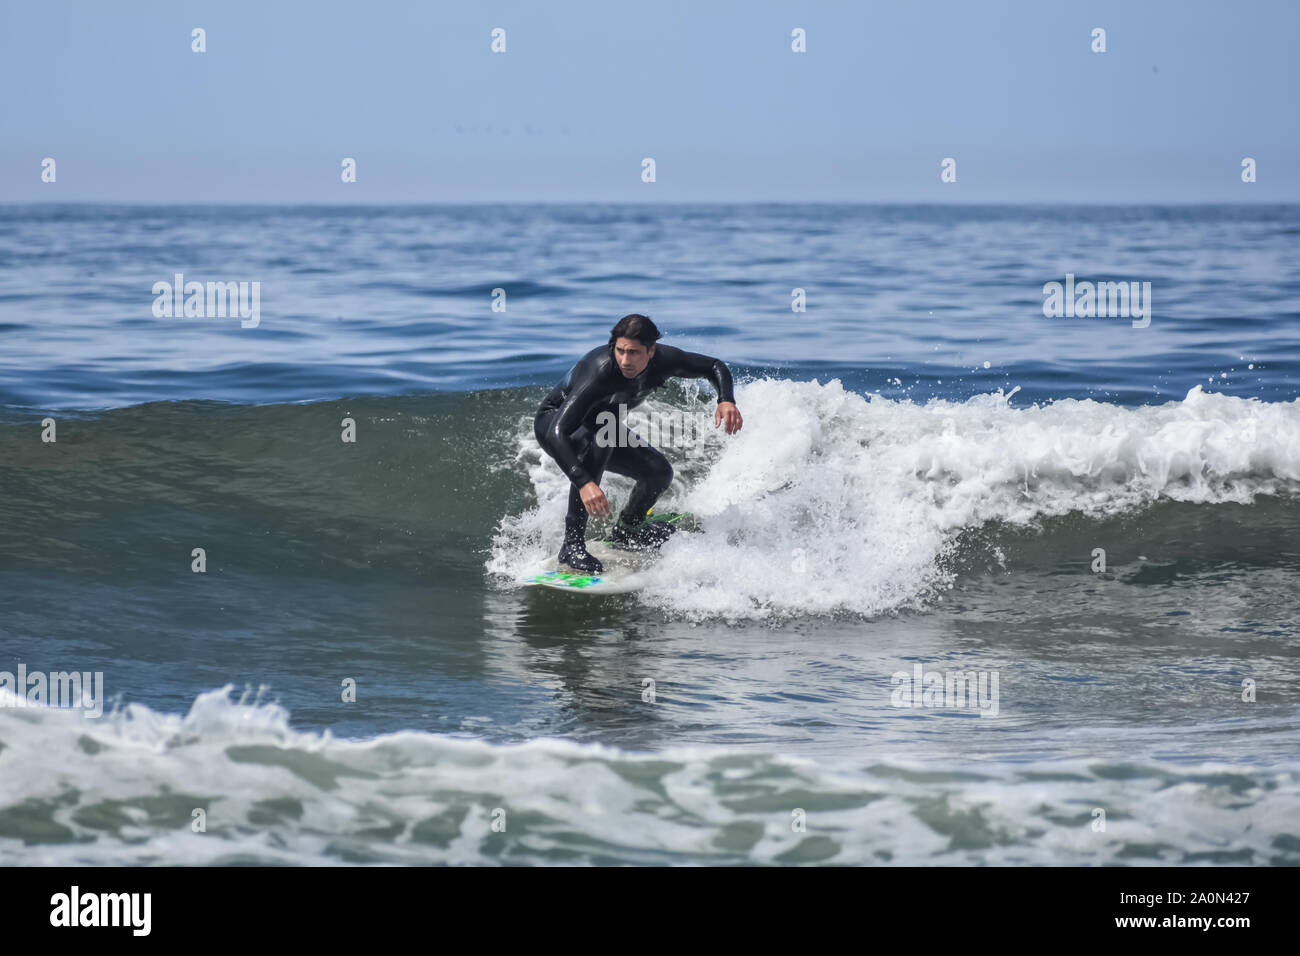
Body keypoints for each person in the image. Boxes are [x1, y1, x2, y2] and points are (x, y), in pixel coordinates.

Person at [534, 314, 743, 573]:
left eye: (633, 352)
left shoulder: (666, 361)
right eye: (620, 351)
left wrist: (726, 400)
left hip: (600, 425)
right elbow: (557, 431)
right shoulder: (600, 371)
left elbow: (714, 366)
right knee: (605, 432)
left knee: (658, 473)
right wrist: (584, 482)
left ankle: (629, 529)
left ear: (651, 351)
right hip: (554, 426)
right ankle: (572, 546)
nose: (624, 360)